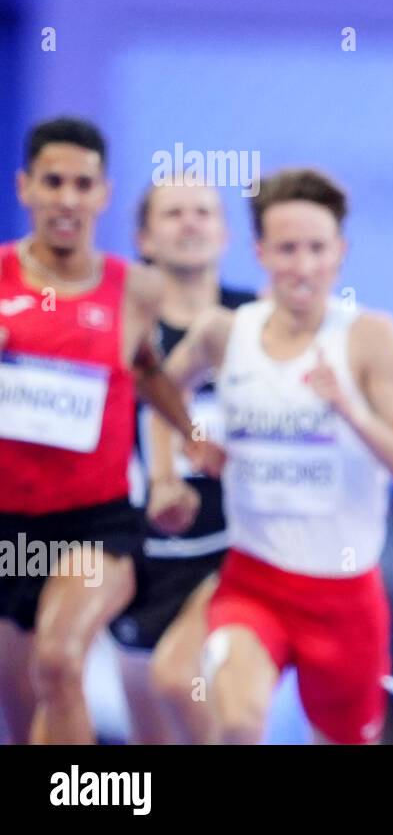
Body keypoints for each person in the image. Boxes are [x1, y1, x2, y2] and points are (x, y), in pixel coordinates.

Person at [153, 169, 393, 744]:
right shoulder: (224, 332)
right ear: (260, 251)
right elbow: (155, 385)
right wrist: (172, 462)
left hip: (346, 600)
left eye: (317, 249)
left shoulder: (369, 339)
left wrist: (351, 412)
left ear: (342, 252)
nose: (303, 266)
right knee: (235, 724)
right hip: (254, 583)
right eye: (287, 249)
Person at [0, 117, 219, 744]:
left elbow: (147, 369)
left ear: (102, 195)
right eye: (53, 182)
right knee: (19, 701)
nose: (67, 198)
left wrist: (191, 434)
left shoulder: (135, 289)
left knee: (60, 660)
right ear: (25, 187)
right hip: (6, 524)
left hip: (93, 524)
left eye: (82, 184)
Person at [110, 181, 255, 743]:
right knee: (149, 739)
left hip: (234, 549)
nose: (190, 223)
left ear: (225, 235)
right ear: (145, 238)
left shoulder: (256, 323)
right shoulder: (119, 330)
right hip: (142, 557)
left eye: (203, 213)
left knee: (180, 677)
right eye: (173, 214)